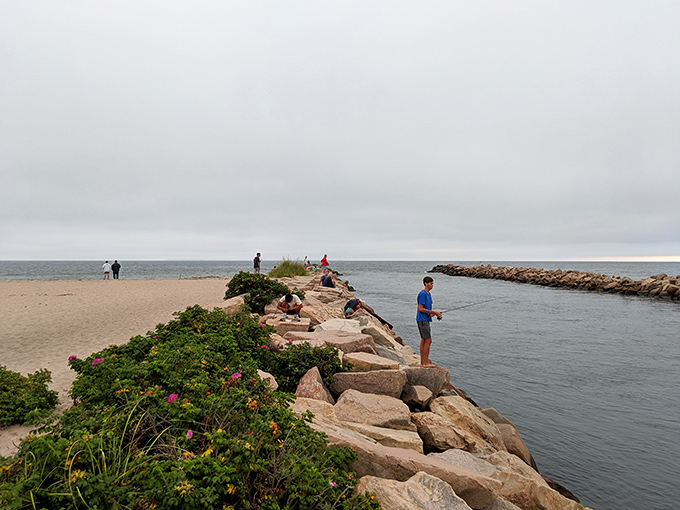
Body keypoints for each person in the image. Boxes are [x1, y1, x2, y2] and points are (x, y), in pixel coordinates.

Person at [416, 276, 441, 368]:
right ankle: (425, 363)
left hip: (425, 319)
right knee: (428, 340)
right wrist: (433, 312)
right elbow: (420, 308)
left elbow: (426, 309)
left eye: (432, 283)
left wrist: (431, 314)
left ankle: (423, 362)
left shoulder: (428, 294)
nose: (432, 285)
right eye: (430, 283)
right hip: (422, 320)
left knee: (424, 339)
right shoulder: (422, 294)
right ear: (426, 284)